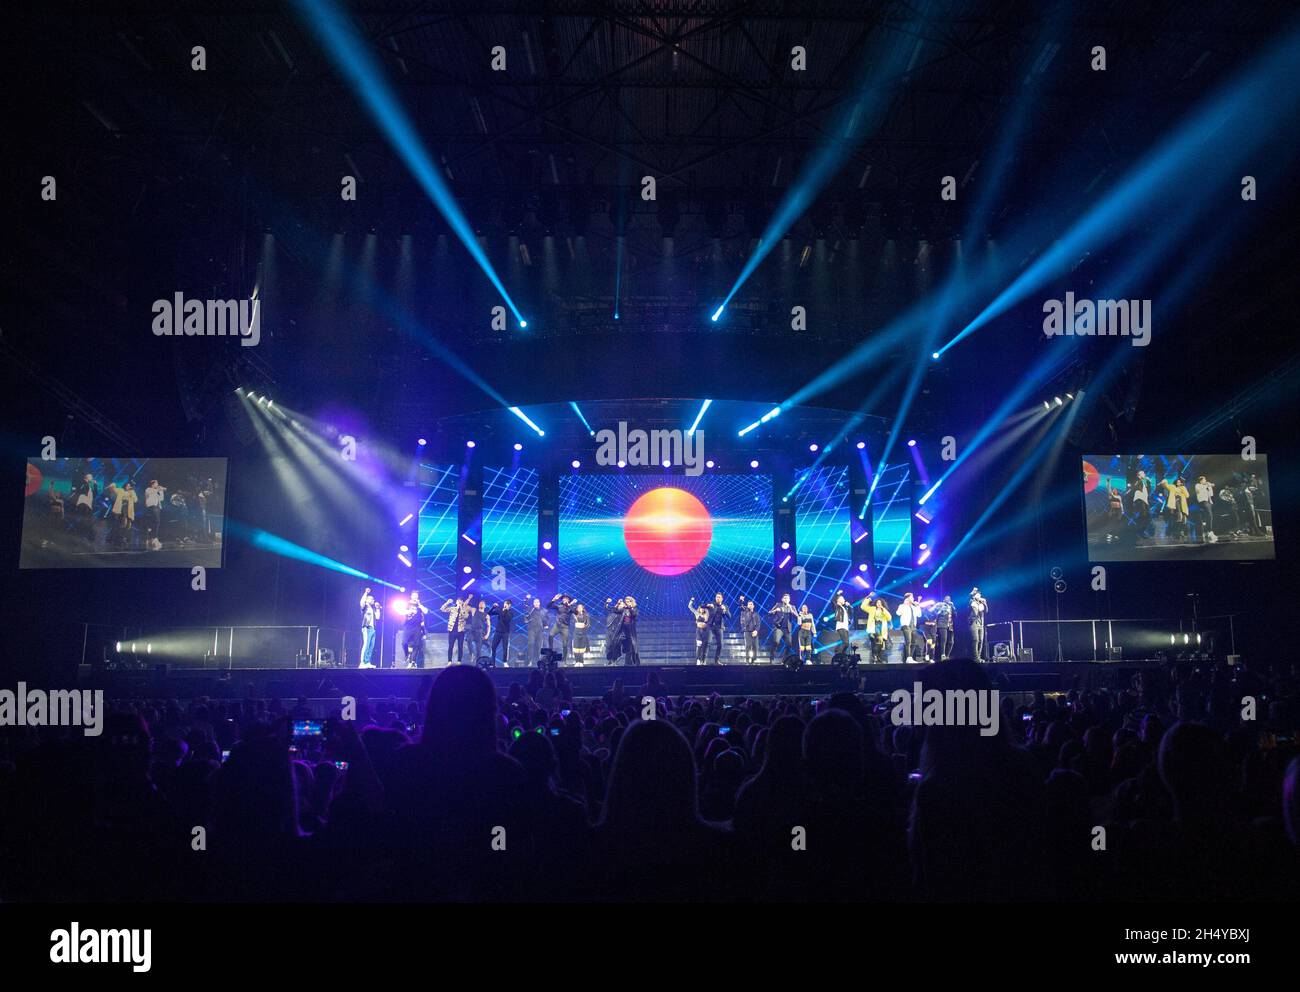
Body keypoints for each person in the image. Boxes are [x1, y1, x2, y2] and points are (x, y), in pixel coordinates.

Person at [767, 593, 798, 662]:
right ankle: (771, 656)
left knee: (789, 644)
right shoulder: (778, 605)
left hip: (787, 629)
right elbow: (769, 613)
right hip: (778, 627)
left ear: (789, 600)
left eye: (787, 598)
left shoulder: (792, 607)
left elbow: (797, 617)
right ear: (782, 599)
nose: (786, 599)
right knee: (776, 642)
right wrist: (775, 610)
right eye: (784, 598)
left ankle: (784, 659)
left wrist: (791, 610)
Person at [861, 597, 892, 664]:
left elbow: (889, 618)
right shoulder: (872, 609)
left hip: (882, 628)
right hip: (874, 627)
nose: (879, 604)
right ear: (876, 603)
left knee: (878, 644)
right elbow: (863, 607)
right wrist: (868, 599)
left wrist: (883, 609)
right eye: (878, 602)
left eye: (880, 603)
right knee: (877, 642)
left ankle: (876, 657)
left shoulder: (884, 610)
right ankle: (875, 656)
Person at [403, 592, 429, 668]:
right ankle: (407, 654)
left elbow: (426, 611)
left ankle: (412, 662)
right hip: (408, 626)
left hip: (417, 627)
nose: (415, 597)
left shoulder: (419, 605)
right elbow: (401, 612)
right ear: (411, 596)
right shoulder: (407, 604)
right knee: (404, 642)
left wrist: (420, 605)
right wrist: (409, 611)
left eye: (416, 596)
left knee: (416, 644)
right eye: (414, 596)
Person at [440, 596, 469, 665]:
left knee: (460, 646)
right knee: (450, 646)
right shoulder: (453, 609)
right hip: (452, 630)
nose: (459, 602)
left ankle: (459, 661)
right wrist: (447, 603)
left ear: (462, 602)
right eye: (458, 601)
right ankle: (449, 661)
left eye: (460, 601)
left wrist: (461, 607)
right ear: (456, 602)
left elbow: (465, 616)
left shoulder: (464, 610)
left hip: (460, 631)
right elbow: (442, 609)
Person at [897, 592, 923, 662]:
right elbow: (898, 613)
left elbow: (919, 615)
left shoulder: (914, 607)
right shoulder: (902, 606)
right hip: (906, 625)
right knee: (908, 641)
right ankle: (908, 657)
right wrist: (904, 604)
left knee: (914, 642)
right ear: (907, 598)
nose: (913, 598)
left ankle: (910, 657)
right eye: (912, 597)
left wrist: (918, 606)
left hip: (913, 626)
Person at [488, 598, 515, 666]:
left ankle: (505, 662)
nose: (504, 605)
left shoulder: (511, 612)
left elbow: (506, 620)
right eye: (504, 604)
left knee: (505, 648)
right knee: (493, 647)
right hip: (498, 632)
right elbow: (489, 613)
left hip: (505, 632)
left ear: (509, 605)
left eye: (506, 604)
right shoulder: (500, 610)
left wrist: (505, 611)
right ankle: (492, 663)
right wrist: (493, 607)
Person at [548, 594, 574, 662]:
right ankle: (550, 651)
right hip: (557, 625)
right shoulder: (559, 605)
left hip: (565, 627)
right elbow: (549, 606)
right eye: (563, 598)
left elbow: (576, 612)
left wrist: (569, 605)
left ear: (568, 600)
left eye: (566, 598)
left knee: (565, 644)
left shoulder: (571, 607)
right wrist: (554, 599)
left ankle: (564, 658)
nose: (564, 599)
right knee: (550, 635)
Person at [929, 594, 955, 661]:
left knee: (951, 642)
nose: (948, 600)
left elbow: (955, 615)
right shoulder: (940, 604)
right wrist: (940, 610)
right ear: (944, 599)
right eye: (947, 598)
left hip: (950, 625)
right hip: (942, 624)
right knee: (943, 640)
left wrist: (953, 607)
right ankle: (942, 655)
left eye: (949, 599)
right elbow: (932, 611)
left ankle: (947, 655)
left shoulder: (951, 606)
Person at [358, 588, 378, 668]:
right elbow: (361, 602)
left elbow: (378, 617)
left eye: (373, 599)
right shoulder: (365, 607)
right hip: (366, 627)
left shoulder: (372, 609)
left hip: (373, 629)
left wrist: (378, 609)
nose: (373, 600)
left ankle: (367, 662)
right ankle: (362, 662)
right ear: (367, 600)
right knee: (366, 644)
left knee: (371, 646)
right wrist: (366, 593)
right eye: (371, 599)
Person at [143, 479, 166, 546]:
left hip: (158, 507)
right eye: (156, 484)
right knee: (156, 521)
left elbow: (161, 499)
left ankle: (153, 538)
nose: (157, 485)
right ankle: (154, 538)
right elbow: (151, 493)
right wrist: (159, 489)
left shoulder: (156, 491)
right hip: (152, 506)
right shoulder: (148, 489)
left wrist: (161, 491)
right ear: (152, 484)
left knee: (156, 522)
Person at [525, 597, 547, 665]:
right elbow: (524, 605)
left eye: (537, 602)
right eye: (535, 602)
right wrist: (526, 599)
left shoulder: (543, 610)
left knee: (539, 646)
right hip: (531, 629)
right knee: (530, 643)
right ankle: (529, 660)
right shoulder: (530, 609)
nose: (536, 603)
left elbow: (545, 618)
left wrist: (546, 625)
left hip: (540, 630)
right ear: (533, 603)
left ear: (539, 603)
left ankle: (538, 661)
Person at [1193, 475, 1215, 543]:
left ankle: (1206, 532)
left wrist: (1210, 487)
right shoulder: (1198, 485)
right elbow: (1198, 490)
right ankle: (1210, 531)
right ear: (1201, 481)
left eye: (1205, 480)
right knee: (1210, 515)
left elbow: (1211, 494)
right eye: (1204, 480)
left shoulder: (1206, 486)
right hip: (1203, 501)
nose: (1205, 481)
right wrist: (1208, 485)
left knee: (1207, 516)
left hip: (1209, 502)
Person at [830, 592, 852, 659]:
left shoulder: (844, 608)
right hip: (841, 626)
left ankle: (841, 653)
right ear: (838, 600)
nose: (844, 600)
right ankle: (838, 654)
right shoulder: (837, 606)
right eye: (843, 599)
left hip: (846, 627)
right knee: (845, 642)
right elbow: (832, 600)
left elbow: (851, 614)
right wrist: (837, 594)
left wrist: (849, 607)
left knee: (847, 643)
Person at [738, 599, 760, 663]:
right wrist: (741, 600)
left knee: (755, 646)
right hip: (747, 631)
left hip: (754, 632)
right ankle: (747, 660)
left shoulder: (756, 614)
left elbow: (758, 623)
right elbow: (740, 606)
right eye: (749, 604)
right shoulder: (744, 612)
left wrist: (756, 630)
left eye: (751, 604)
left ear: (753, 606)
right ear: (747, 606)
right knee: (748, 646)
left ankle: (753, 659)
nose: (750, 605)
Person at [688, 598, 710, 664]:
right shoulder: (697, 613)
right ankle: (698, 660)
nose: (702, 609)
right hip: (699, 631)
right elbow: (690, 607)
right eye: (701, 608)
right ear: (699, 608)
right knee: (699, 645)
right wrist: (691, 600)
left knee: (705, 646)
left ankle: (703, 660)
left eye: (703, 608)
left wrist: (707, 607)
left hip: (705, 631)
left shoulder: (707, 614)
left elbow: (707, 620)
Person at [968, 588, 988, 661]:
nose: (980, 595)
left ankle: (978, 657)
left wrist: (985, 604)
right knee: (975, 639)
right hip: (973, 623)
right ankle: (975, 658)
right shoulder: (971, 601)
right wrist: (973, 592)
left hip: (981, 624)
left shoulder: (981, 603)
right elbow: (976, 611)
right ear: (974, 596)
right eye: (978, 594)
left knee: (981, 640)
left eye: (980, 594)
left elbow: (986, 611)